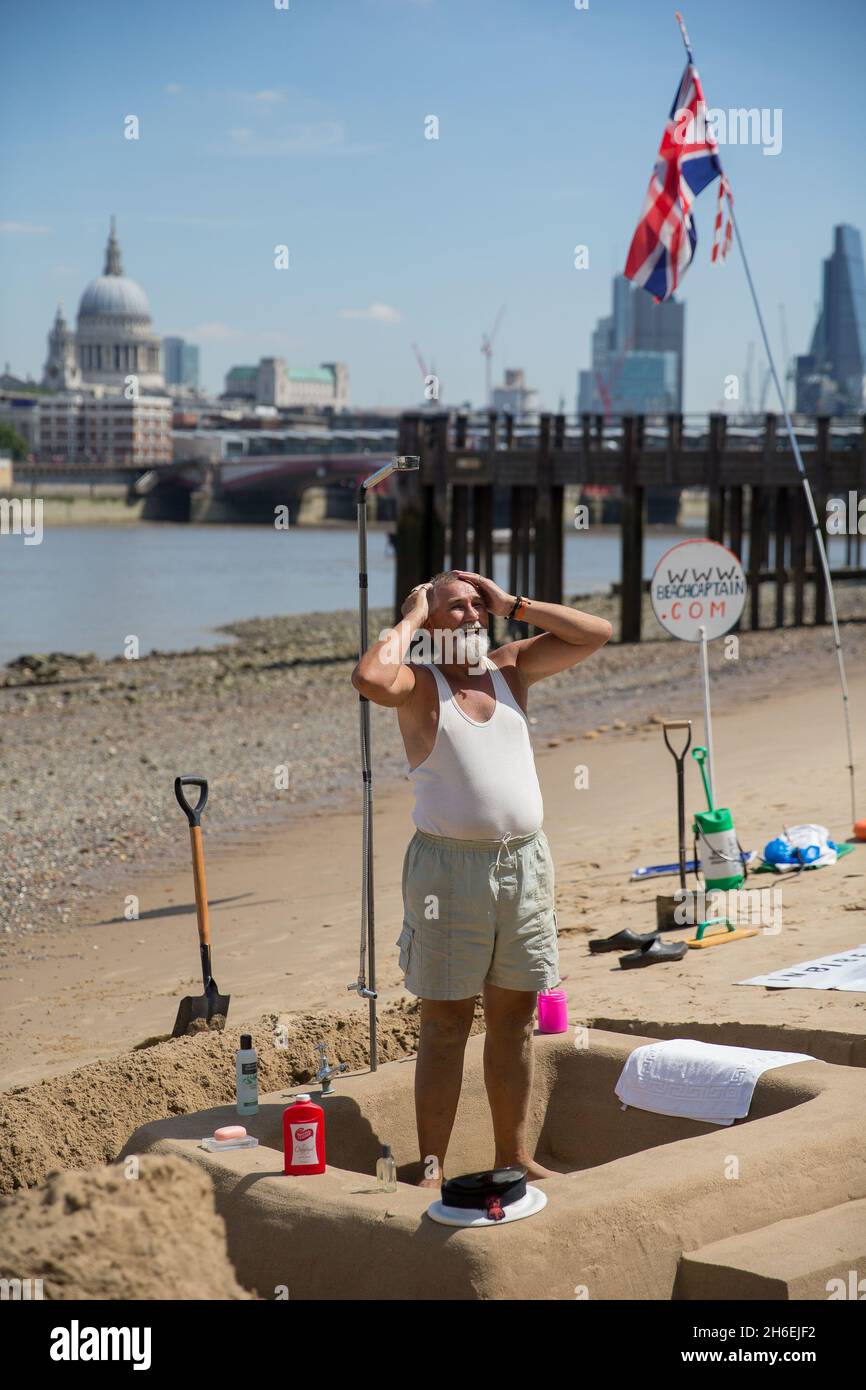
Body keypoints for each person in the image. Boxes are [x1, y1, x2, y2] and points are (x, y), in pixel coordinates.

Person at [350, 569, 612, 1185]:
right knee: (444, 1026)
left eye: (476, 606)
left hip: (524, 863)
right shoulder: (418, 684)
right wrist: (412, 616)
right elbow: (368, 678)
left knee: (515, 1019)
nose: (471, 615)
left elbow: (596, 633)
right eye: (455, 608)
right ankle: (433, 1167)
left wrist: (514, 602)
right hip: (449, 871)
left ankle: (512, 1155)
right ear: (432, 624)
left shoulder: (510, 667)